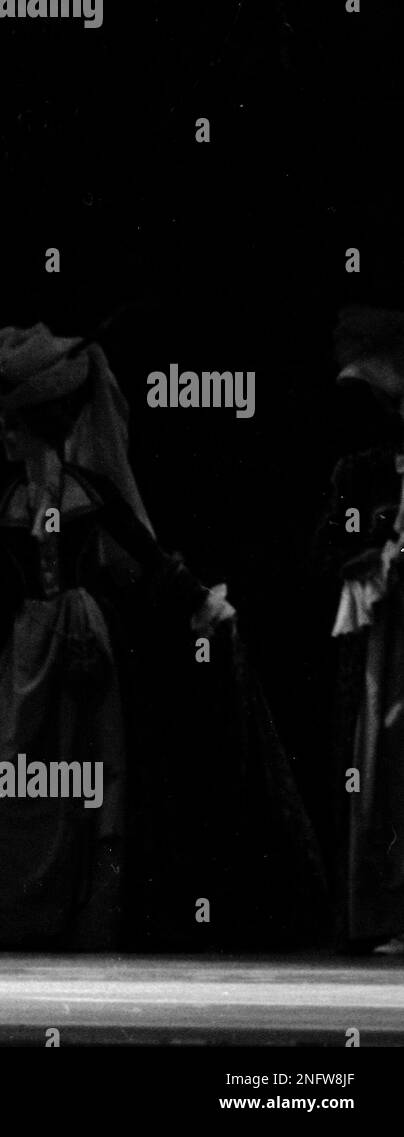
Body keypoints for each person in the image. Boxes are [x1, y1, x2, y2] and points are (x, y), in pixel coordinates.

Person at [0, 323, 236, 949]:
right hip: (30, 640)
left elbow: (148, 554)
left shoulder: (87, 490)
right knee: (7, 767)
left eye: (11, 424)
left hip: (83, 639)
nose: (2, 434)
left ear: (38, 424)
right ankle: (15, 911)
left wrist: (198, 603)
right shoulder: (9, 501)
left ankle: (84, 912)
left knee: (91, 772)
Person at [314, 305, 404, 954]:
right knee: (377, 759)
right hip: (382, 632)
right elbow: (327, 549)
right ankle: (374, 908)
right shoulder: (362, 470)